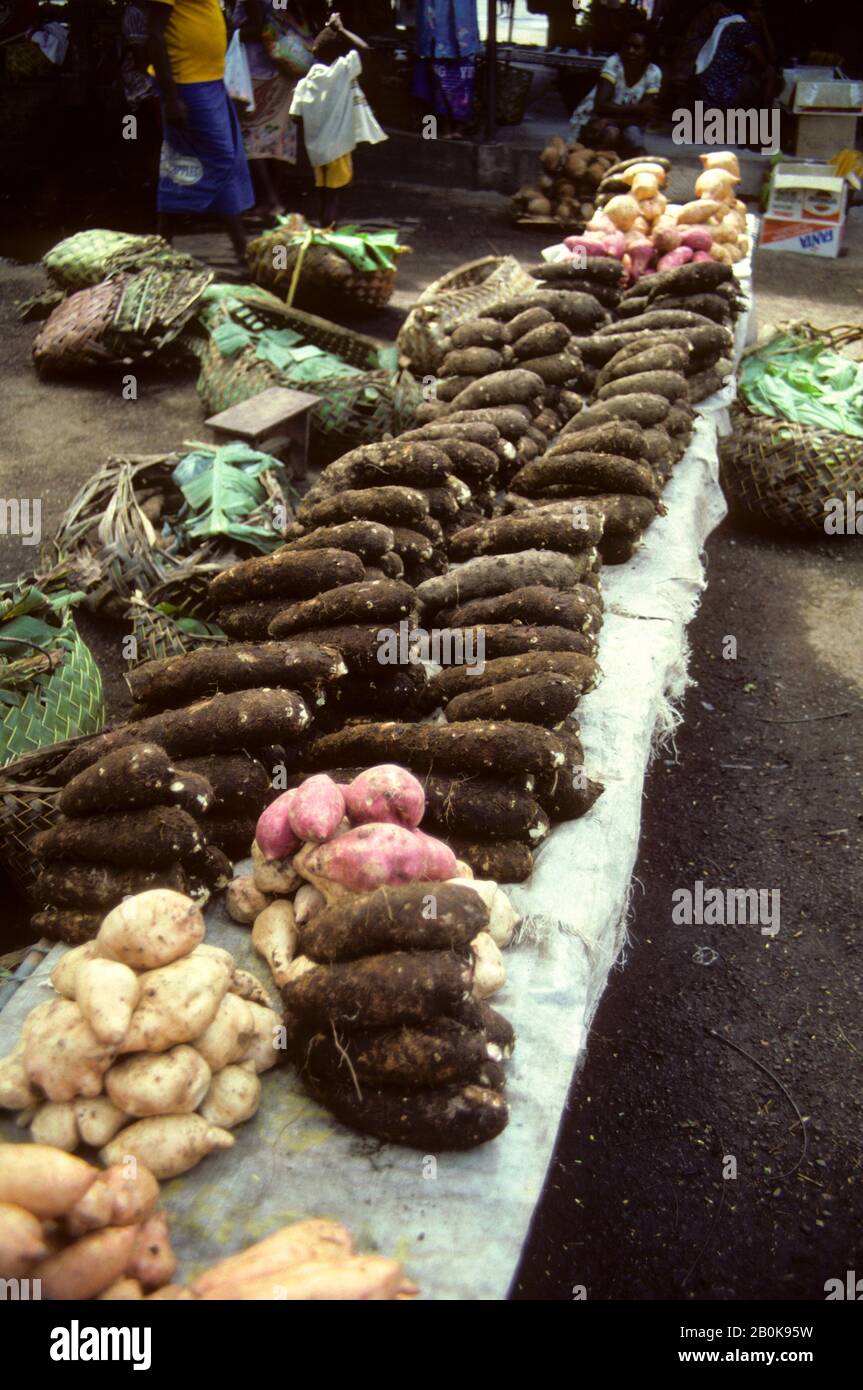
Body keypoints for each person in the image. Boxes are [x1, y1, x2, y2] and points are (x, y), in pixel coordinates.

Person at [147, 0, 254, 265]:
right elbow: (154, 34)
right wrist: (172, 98)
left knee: (190, 161)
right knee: (222, 158)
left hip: (210, 81)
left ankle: (162, 244)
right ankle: (241, 248)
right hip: (187, 84)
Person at [289, 12, 386, 228]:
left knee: (323, 194)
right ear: (340, 54)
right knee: (334, 196)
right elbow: (364, 49)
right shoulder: (343, 71)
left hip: (317, 151)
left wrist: (317, 122)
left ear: (314, 52)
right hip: (338, 148)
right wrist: (341, 29)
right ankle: (328, 232)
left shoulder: (305, 82)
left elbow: (296, 117)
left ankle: (324, 231)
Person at [233, 0, 322, 220]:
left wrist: (225, 33)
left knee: (250, 137)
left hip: (259, 71)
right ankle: (271, 201)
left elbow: (257, 28)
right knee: (278, 137)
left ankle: (271, 202)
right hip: (287, 65)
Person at [569, 24, 662, 155]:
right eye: (627, 45)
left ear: (648, 52)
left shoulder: (653, 72)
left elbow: (644, 118)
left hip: (619, 122)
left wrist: (611, 119)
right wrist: (637, 108)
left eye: (637, 47)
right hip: (593, 120)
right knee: (611, 133)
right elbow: (600, 106)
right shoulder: (614, 63)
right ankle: (597, 163)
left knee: (633, 135)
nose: (631, 50)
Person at [411, 0, 482, 141]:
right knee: (434, 75)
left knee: (457, 76)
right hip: (436, 25)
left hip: (459, 30)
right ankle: (442, 125)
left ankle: (455, 124)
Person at [694, 1, 777, 111]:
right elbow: (766, 61)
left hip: (712, 83)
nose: (758, 15)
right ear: (744, 11)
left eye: (761, 12)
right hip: (720, 87)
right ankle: (765, 115)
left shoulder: (730, 23)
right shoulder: (742, 28)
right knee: (770, 72)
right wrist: (764, 28)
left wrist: (764, 28)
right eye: (754, 10)